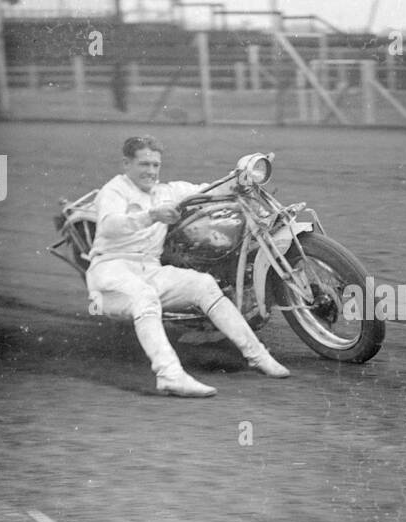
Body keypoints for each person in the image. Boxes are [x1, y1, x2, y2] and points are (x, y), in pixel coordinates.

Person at [86, 135, 290, 397]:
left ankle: (258, 356)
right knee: (145, 297)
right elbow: (110, 226)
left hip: (149, 270)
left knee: (203, 285)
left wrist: (244, 176)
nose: (150, 171)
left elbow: (209, 189)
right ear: (126, 164)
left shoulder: (166, 191)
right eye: (144, 164)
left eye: (155, 165)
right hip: (111, 271)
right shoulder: (114, 190)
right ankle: (169, 375)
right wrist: (150, 216)